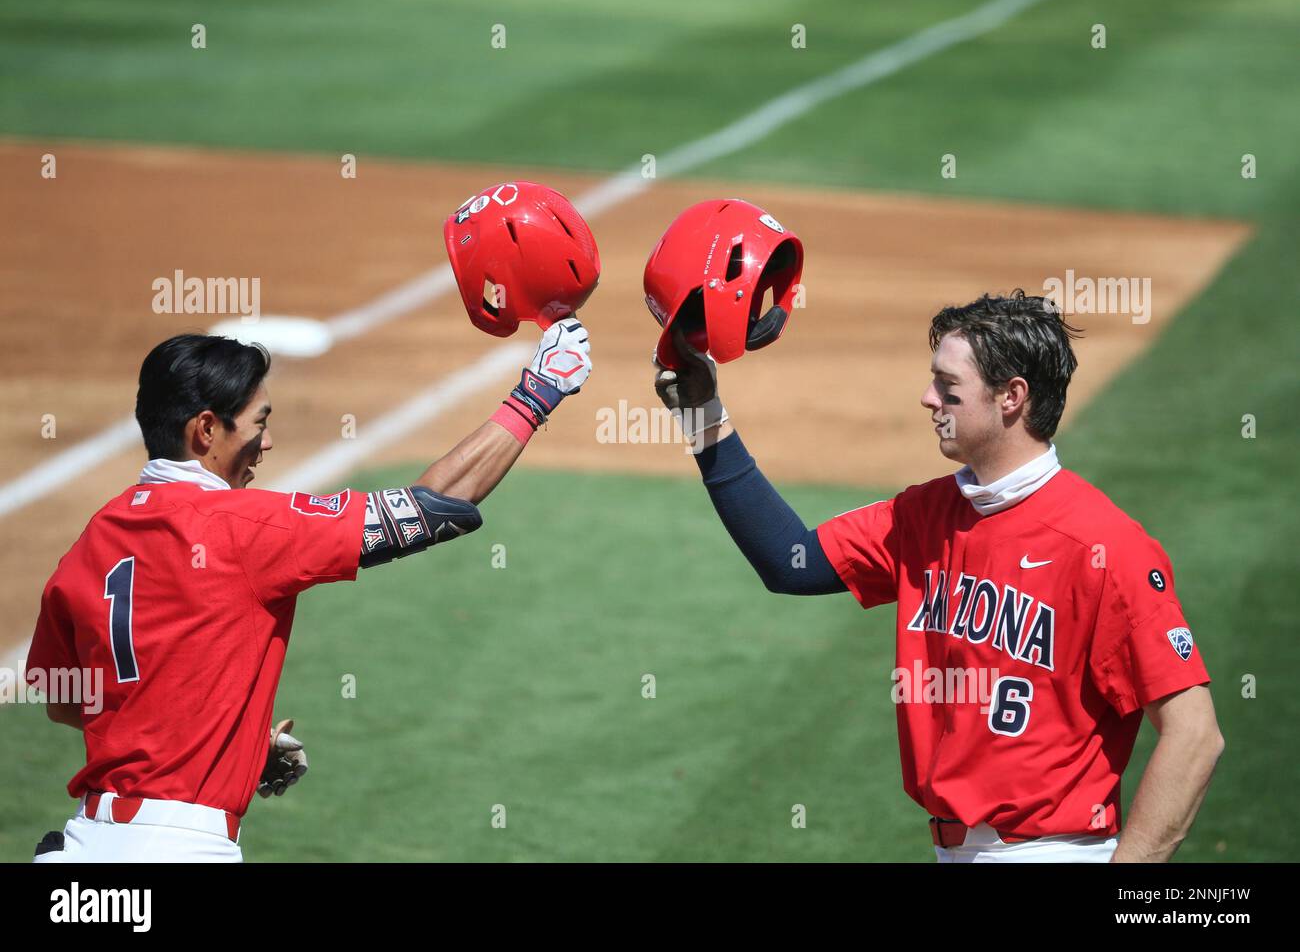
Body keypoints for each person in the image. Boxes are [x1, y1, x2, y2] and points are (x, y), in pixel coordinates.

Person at [653, 289, 1223, 862]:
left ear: (1011, 397)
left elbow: (1194, 735)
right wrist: (704, 418)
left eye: (949, 388)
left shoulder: (1105, 546)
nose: (928, 400)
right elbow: (789, 561)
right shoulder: (923, 516)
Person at [27, 320, 591, 862]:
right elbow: (430, 509)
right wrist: (537, 393)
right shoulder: (244, 527)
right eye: (257, 422)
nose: (267, 442)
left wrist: (231, 735)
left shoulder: (94, 538)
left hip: (85, 849)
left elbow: (69, 700)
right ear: (205, 430)